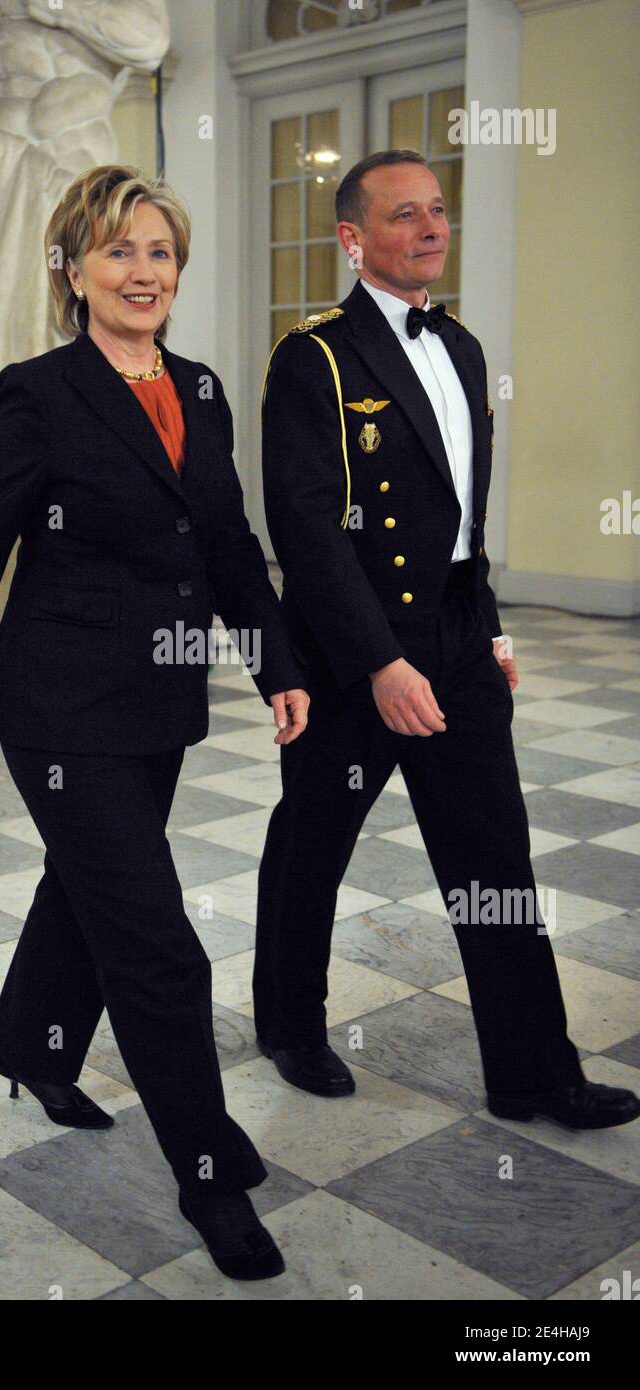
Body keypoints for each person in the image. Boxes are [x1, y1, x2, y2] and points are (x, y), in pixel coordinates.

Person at [0, 164, 310, 1280]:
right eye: (119, 250)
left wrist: (274, 661)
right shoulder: (38, 391)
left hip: (158, 701)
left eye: (160, 252)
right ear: (73, 268)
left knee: (84, 891)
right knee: (154, 942)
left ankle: (26, 1045)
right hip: (60, 708)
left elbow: (226, 544)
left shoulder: (205, 389)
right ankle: (208, 1173)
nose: (143, 271)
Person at [254, 148, 639, 1131]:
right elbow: (304, 525)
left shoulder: (463, 348)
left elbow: (460, 516)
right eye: (403, 215)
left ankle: (532, 1071)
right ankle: (289, 1023)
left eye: (437, 212)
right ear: (352, 238)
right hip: (353, 651)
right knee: (313, 839)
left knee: (494, 858)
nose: (431, 229)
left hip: (459, 633)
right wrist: (379, 662)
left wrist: (493, 624)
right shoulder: (316, 358)